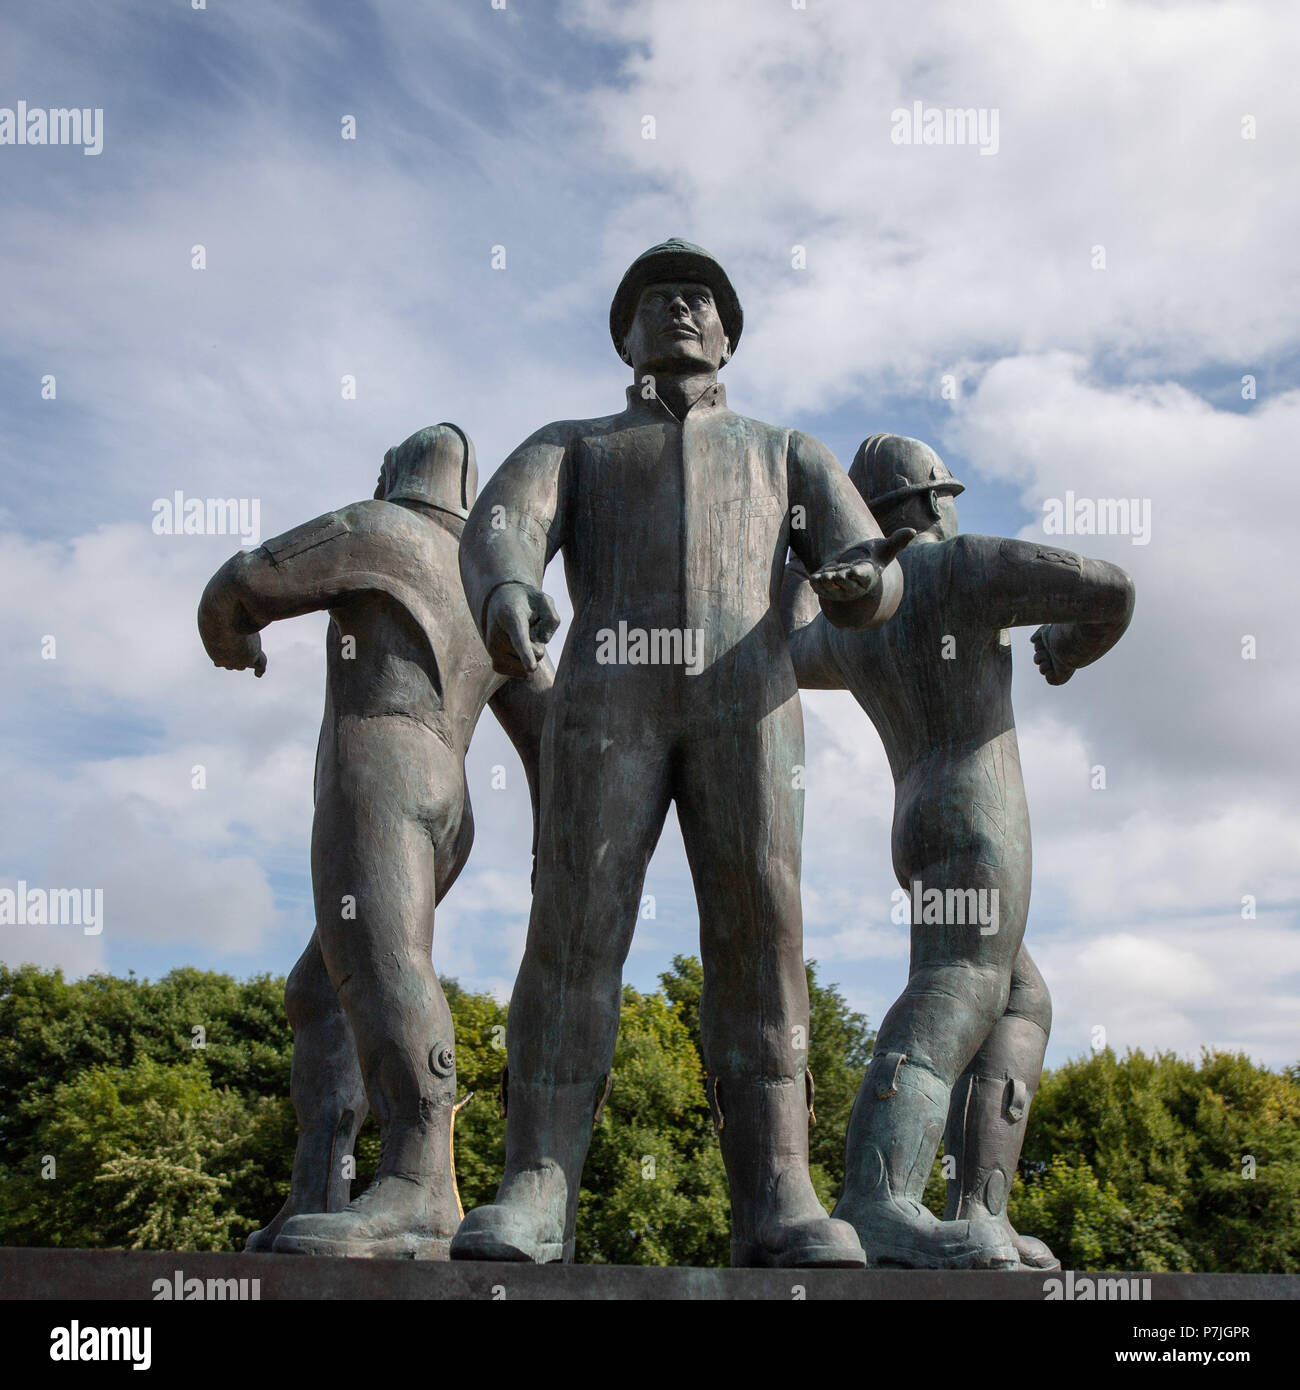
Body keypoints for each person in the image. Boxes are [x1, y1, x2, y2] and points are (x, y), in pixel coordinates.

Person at [451, 240, 912, 1267]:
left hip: (747, 702)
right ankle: (537, 1183)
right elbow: (500, 525)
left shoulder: (782, 449)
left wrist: (856, 584)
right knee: (573, 929)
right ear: (623, 331)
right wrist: (508, 588)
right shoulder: (574, 443)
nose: (676, 310)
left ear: (728, 333)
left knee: (762, 936)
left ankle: (779, 1192)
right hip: (606, 696)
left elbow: (867, 560)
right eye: (653, 299)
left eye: (697, 298)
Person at [198, 424, 551, 1258]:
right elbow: (549, 730)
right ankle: (321, 1188)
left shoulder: (375, 529)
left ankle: (419, 1183)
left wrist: (234, 639)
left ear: (394, 472)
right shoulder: (484, 580)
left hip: (380, 775)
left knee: (383, 965)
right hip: (451, 803)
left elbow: (240, 583)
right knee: (320, 993)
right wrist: (555, 845)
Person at [783, 433, 1134, 1268]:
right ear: (936, 501)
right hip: (978, 822)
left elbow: (790, 647)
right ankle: (879, 1200)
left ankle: (981, 1211)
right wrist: (1065, 644)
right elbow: (1112, 592)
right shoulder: (962, 567)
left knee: (1020, 1001)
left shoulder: (847, 626)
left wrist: (801, 557)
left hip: (919, 820)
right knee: (958, 988)